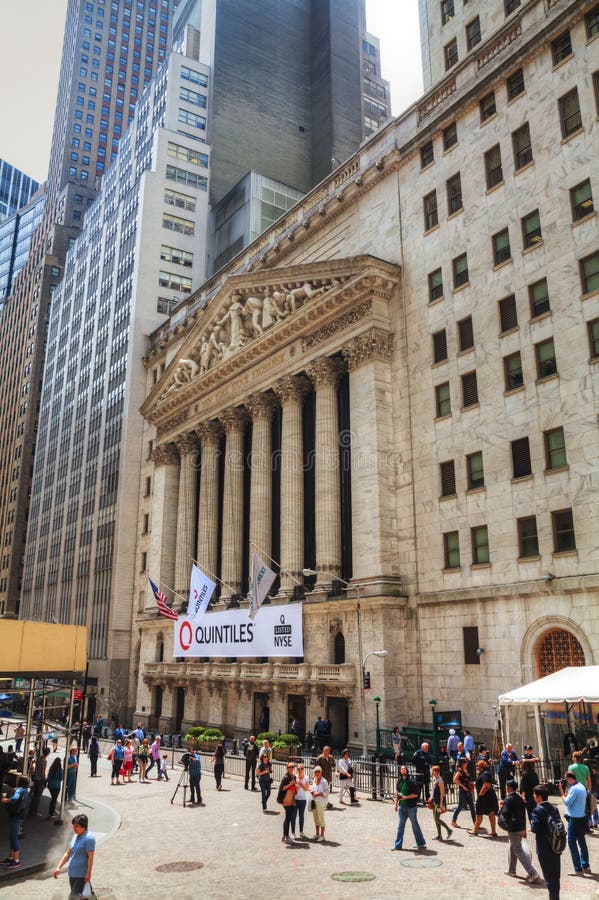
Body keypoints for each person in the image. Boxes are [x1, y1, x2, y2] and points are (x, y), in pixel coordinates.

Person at [501, 779, 541, 883]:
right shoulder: (519, 798)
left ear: (509, 788)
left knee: (518, 850)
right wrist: (524, 829)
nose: (506, 788)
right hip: (520, 827)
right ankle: (511, 870)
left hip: (513, 828)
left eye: (506, 786)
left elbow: (505, 813)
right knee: (512, 846)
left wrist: (502, 806)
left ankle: (533, 873)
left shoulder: (508, 799)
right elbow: (523, 814)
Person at [531, 785, 562, 900]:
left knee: (548, 876)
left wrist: (532, 823)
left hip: (544, 847)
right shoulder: (554, 808)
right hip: (556, 845)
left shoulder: (537, 810)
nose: (534, 797)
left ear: (539, 796)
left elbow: (536, 829)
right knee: (555, 875)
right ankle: (556, 896)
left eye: (534, 795)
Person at [54, 813, 95, 897]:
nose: (74, 828)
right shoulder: (75, 837)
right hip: (72, 874)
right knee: (83, 896)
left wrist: (88, 873)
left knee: (74, 897)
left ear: (83, 826)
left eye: (76, 826)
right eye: (73, 826)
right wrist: (59, 867)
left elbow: (91, 857)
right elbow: (67, 853)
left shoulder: (89, 838)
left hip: (81, 875)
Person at [391, 764, 426, 851]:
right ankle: (398, 845)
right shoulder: (399, 781)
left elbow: (416, 794)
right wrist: (395, 804)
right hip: (401, 806)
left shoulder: (411, 781)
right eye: (401, 769)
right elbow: (397, 792)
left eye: (404, 769)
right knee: (400, 826)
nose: (403, 770)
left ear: (407, 770)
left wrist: (406, 797)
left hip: (411, 807)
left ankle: (420, 843)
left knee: (414, 825)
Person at [562, 770, 590, 875]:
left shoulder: (573, 789)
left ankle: (578, 868)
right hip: (582, 817)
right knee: (582, 842)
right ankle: (585, 865)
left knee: (571, 842)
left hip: (574, 819)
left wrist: (563, 795)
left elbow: (567, 802)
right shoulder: (581, 786)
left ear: (569, 778)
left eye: (566, 779)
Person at [1, 775, 30, 869]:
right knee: (13, 837)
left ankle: (16, 860)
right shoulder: (26, 791)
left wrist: (7, 800)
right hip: (20, 816)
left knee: (14, 838)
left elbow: (15, 798)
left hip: (15, 817)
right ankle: (11, 857)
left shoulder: (19, 790)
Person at [469, 759, 499, 837]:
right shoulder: (485, 773)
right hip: (489, 795)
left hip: (485, 796)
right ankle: (493, 832)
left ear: (481, 767)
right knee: (491, 813)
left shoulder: (485, 773)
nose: (476, 768)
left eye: (477, 766)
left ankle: (475, 831)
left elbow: (486, 785)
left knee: (479, 813)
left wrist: (480, 794)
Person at [451, 757, 475, 828]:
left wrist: (471, 785)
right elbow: (454, 780)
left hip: (468, 790)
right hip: (462, 791)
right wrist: (463, 786)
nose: (467, 763)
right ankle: (453, 821)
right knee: (460, 806)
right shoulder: (459, 771)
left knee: (472, 807)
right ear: (462, 763)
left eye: (466, 762)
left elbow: (468, 780)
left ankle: (475, 823)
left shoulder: (466, 770)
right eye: (465, 762)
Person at [430, 764, 452, 840]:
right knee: (435, 818)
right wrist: (431, 798)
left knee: (437, 818)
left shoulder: (440, 780)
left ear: (436, 772)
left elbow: (442, 793)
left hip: (439, 802)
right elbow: (433, 791)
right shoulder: (434, 779)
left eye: (432, 771)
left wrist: (441, 804)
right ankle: (439, 835)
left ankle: (449, 830)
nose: (431, 772)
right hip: (434, 801)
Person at [279, 762, 297, 845]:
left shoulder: (293, 777)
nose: (291, 768)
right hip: (287, 800)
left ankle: (284, 835)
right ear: (287, 768)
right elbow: (282, 788)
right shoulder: (286, 777)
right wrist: (291, 784)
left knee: (288, 817)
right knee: (288, 818)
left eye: (292, 767)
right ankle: (286, 836)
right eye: (289, 767)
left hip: (292, 799)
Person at [29, 746, 51, 816]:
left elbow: (32, 762)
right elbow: (43, 772)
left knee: (34, 795)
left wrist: (32, 767)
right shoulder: (44, 761)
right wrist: (44, 780)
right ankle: (34, 811)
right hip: (40, 779)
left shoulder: (39, 758)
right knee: (37, 797)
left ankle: (31, 810)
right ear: (48, 754)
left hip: (35, 778)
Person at [310, 765, 329, 842]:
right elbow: (312, 788)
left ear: (321, 772)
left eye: (318, 772)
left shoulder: (324, 781)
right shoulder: (314, 780)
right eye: (315, 772)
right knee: (316, 818)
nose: (317, 773)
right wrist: (312, 792)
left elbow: (327, 792)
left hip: (321, 802)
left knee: (321, 818)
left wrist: (319, 794)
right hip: (314, 801)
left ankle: (322, 835)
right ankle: (317, 834)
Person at [294, 763, 310, 839]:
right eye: (298, 769)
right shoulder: (295, 777)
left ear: (303, 769)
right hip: (295, 799)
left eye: (301, 769)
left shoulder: (306, 778)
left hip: (303, 800)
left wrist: (301, 784)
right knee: (293, 816)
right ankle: (293, 832)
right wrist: (296, 786)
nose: (299, 770)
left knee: (301, 816)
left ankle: (301, 831)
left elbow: (307, 789)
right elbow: (292, 787)